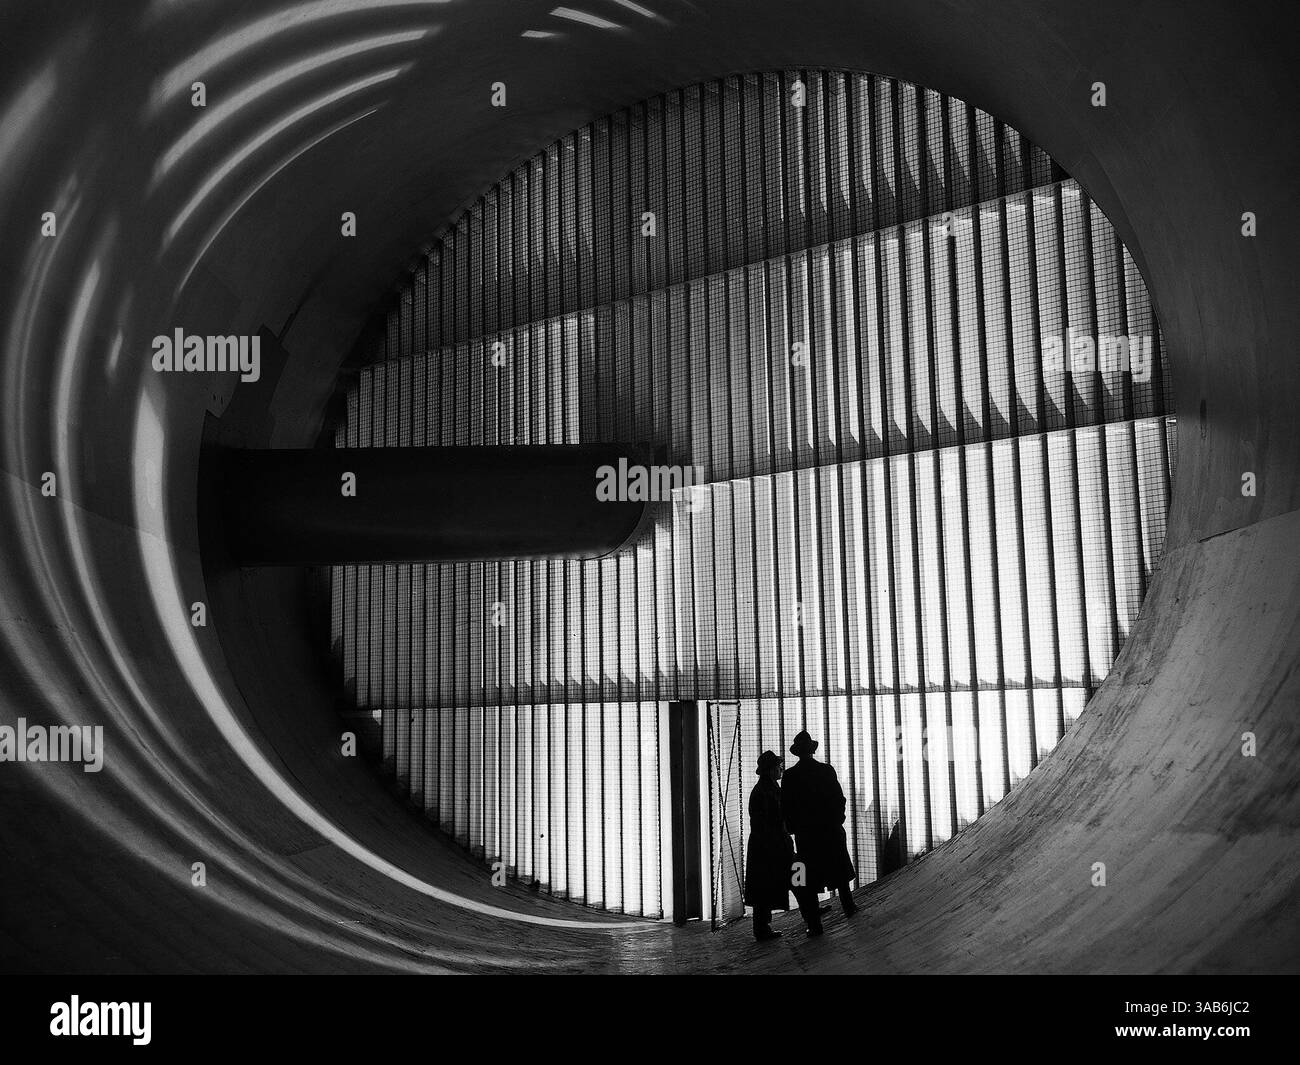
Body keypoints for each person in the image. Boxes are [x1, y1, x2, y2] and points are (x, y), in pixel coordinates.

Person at [782, 730, 858, 925]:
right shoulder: (826, 770)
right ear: (812, 751)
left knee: (809, 876)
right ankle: (849, 906)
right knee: (839, 870)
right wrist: (837, 820)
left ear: (797, 753)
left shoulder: (790, 776)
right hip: (830, 831)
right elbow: (839, 798)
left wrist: (793, 828)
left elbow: (786, 807)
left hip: (806, 835)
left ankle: (814, 922)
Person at [743, 750, 811, 941]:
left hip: (767, 849)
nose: (781, 769)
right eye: (778, 767)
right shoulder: (768, 792)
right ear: (770, 770)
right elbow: (772, 822)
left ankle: (762, 928)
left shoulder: (764, 790)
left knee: (764, 890)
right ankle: (809, 912)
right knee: (798, 876)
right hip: (774, 848)